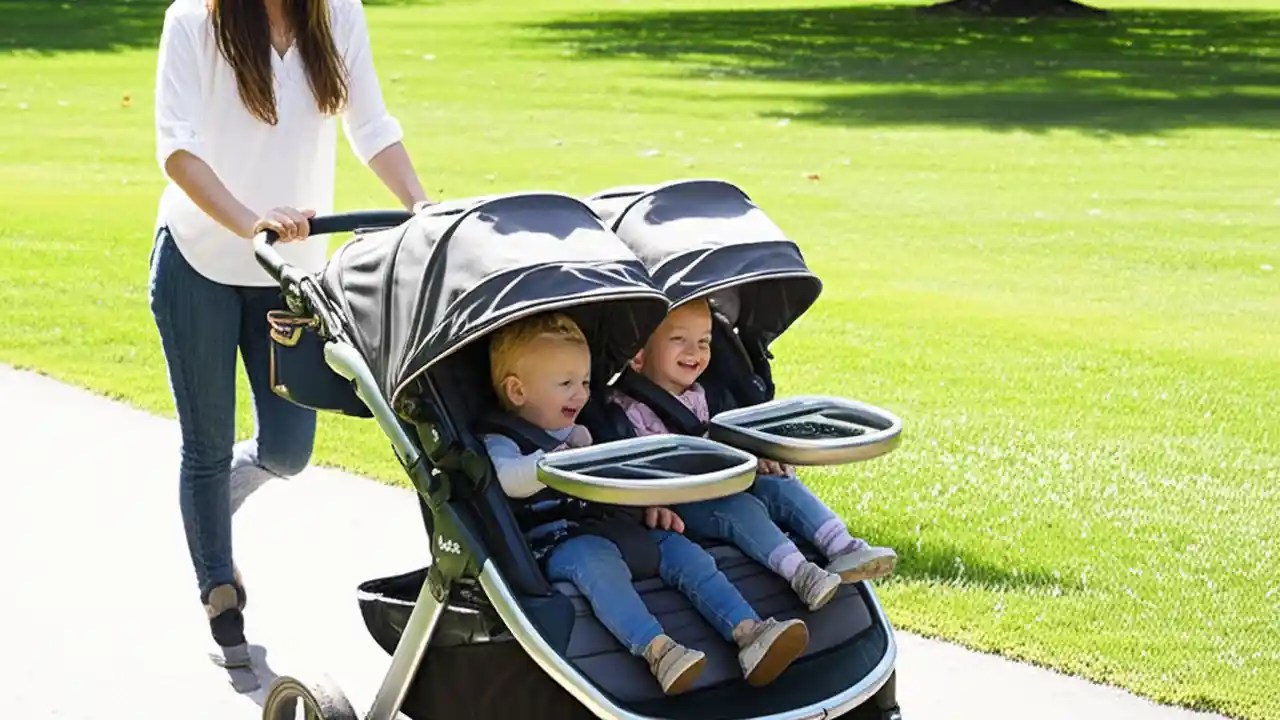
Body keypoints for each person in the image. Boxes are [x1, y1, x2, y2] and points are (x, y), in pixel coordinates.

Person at [150, 0, 430, 667]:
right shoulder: (193, 20)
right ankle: (219, 587)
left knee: (288, 449)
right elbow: (177, 150)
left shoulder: (338, 16)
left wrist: (420, 206)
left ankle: (207, 513)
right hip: (200, 263)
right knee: (207, 443)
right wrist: (252, 221)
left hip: (291, 272)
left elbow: (370, 126)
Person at [481, 312, 809, 694]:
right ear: (518, 392)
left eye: (585, 382)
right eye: (566, 383)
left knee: (685, 554)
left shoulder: (580, 434)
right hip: (559, 541)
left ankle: (749, 631)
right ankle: (659, 651)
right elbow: (508, 479)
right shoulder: (502, 440)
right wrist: (554, 462)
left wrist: (644, 505)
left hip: (613, 525)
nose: (581, 394)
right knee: (601, 571)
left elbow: (614, 477)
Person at [613, 299, 898, 613]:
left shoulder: (708, 396)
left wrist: (756, 458)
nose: (694, 352)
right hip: (683, 503)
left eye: (704, 342)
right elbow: (626, 469)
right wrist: (648, 502)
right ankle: (801, 574)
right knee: (741, 507)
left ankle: (844, 547)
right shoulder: (629, 411)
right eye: (679, 340)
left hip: (724, 480)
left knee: (780, 484)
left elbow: (728, 442)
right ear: (638, 356)